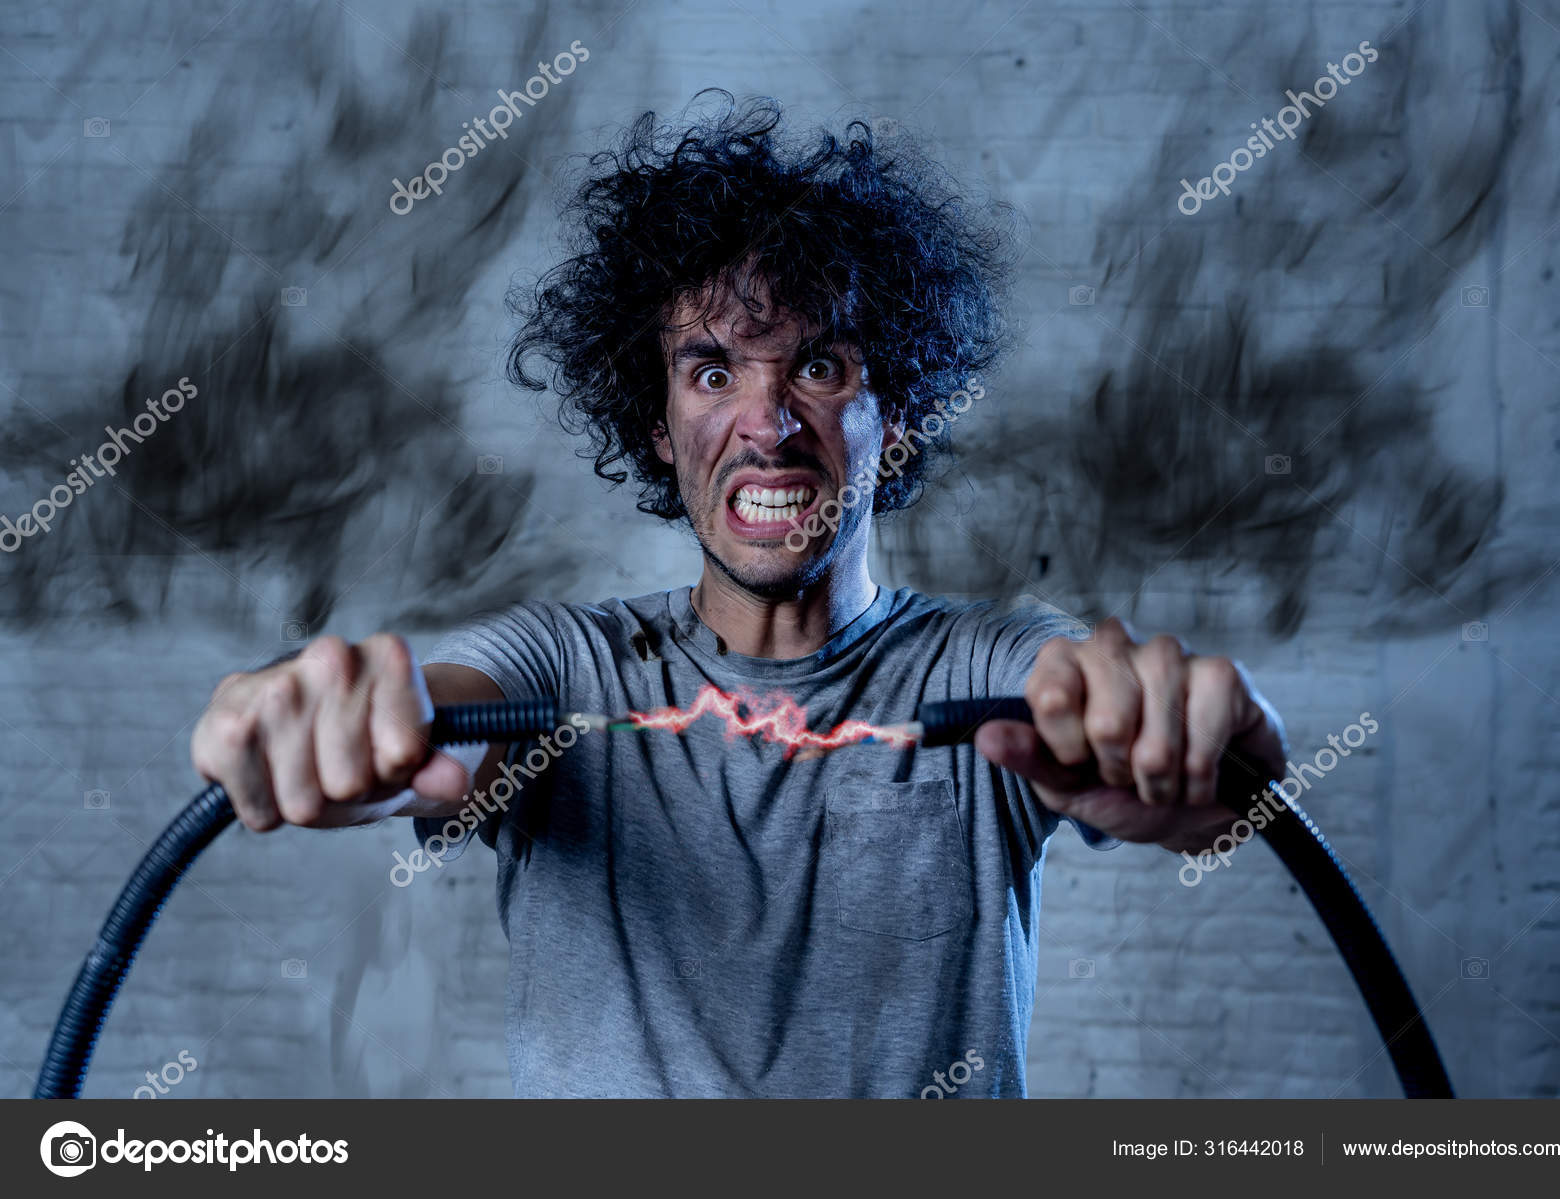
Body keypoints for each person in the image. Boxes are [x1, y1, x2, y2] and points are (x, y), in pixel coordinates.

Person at [191, 94, 1288, 1097]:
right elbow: (431, 722)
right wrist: (316, 716)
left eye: (819, 368)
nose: (766, 425)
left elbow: (1137, 720)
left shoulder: (985, 670)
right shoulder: (564, 670)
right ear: (661, 429)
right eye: (714, 372)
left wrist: (1206, 745)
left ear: (897, 415)